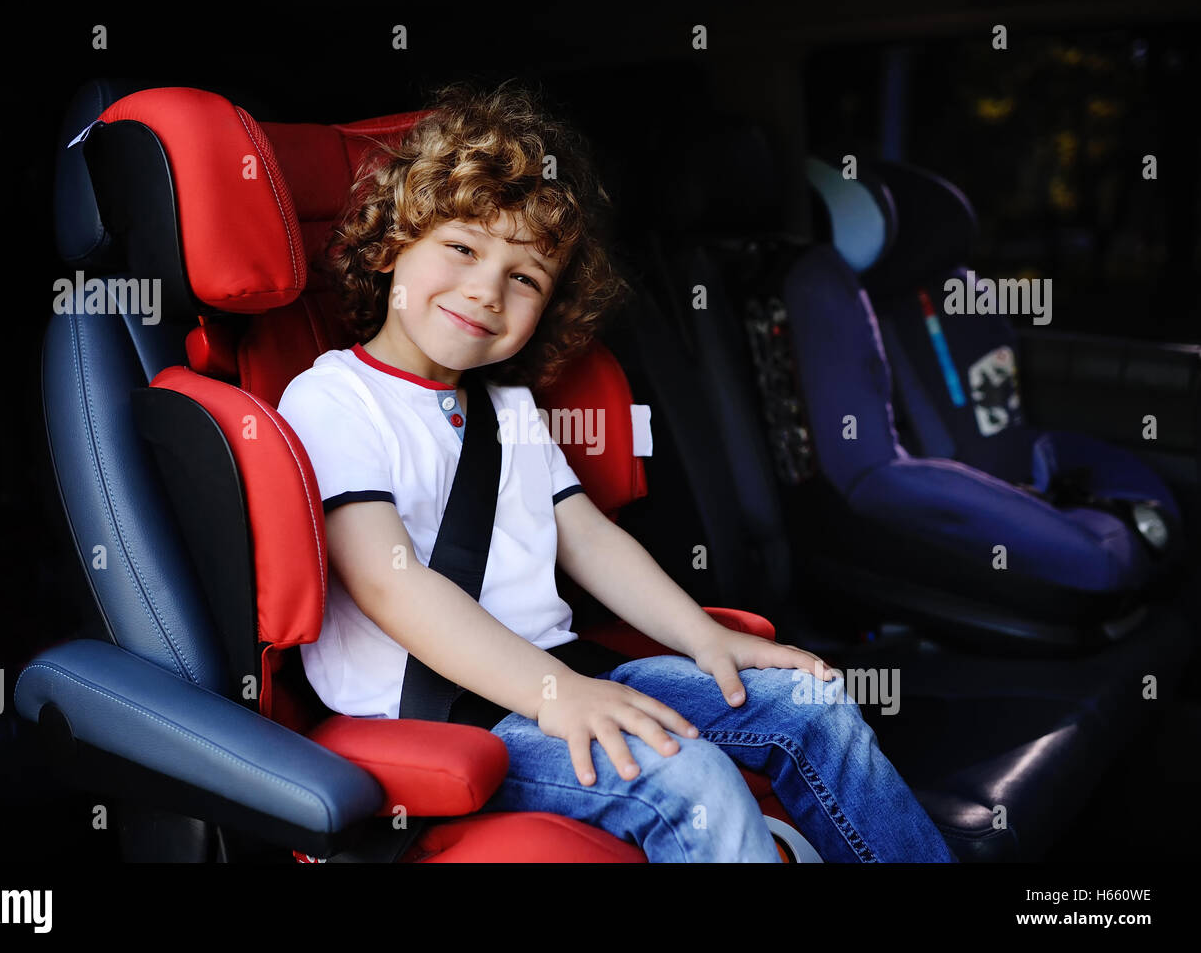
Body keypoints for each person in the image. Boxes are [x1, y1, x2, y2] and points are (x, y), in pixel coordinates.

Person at [277, 79, 956, 863]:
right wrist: (554, 694)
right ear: (394, 245)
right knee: (687, 777)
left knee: (813, 704)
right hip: (450, 715)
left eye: (524, 276)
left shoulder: (510, 410)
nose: (485, 289)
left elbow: (589, 538)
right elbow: (393, 584)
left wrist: (705, 639)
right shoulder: (335, 398)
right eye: (461, 248)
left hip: (562, 673)